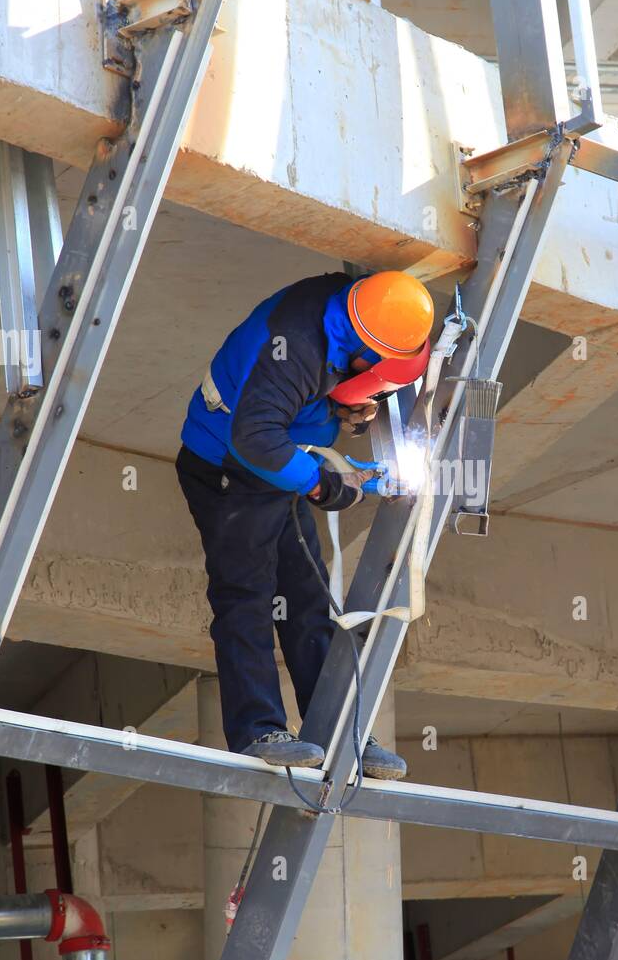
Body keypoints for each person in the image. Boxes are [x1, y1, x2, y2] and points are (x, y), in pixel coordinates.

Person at [176, 269, 434, 779]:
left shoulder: (357, 313)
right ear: (366, 353)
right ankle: (258, 731)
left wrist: (345, 413)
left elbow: (307, 399)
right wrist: (320, 485)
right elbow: (255, 438)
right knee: (246, 597)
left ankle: (337, 729)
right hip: (228, 469)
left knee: (305, 600)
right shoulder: (293, 350)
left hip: (277, 464)